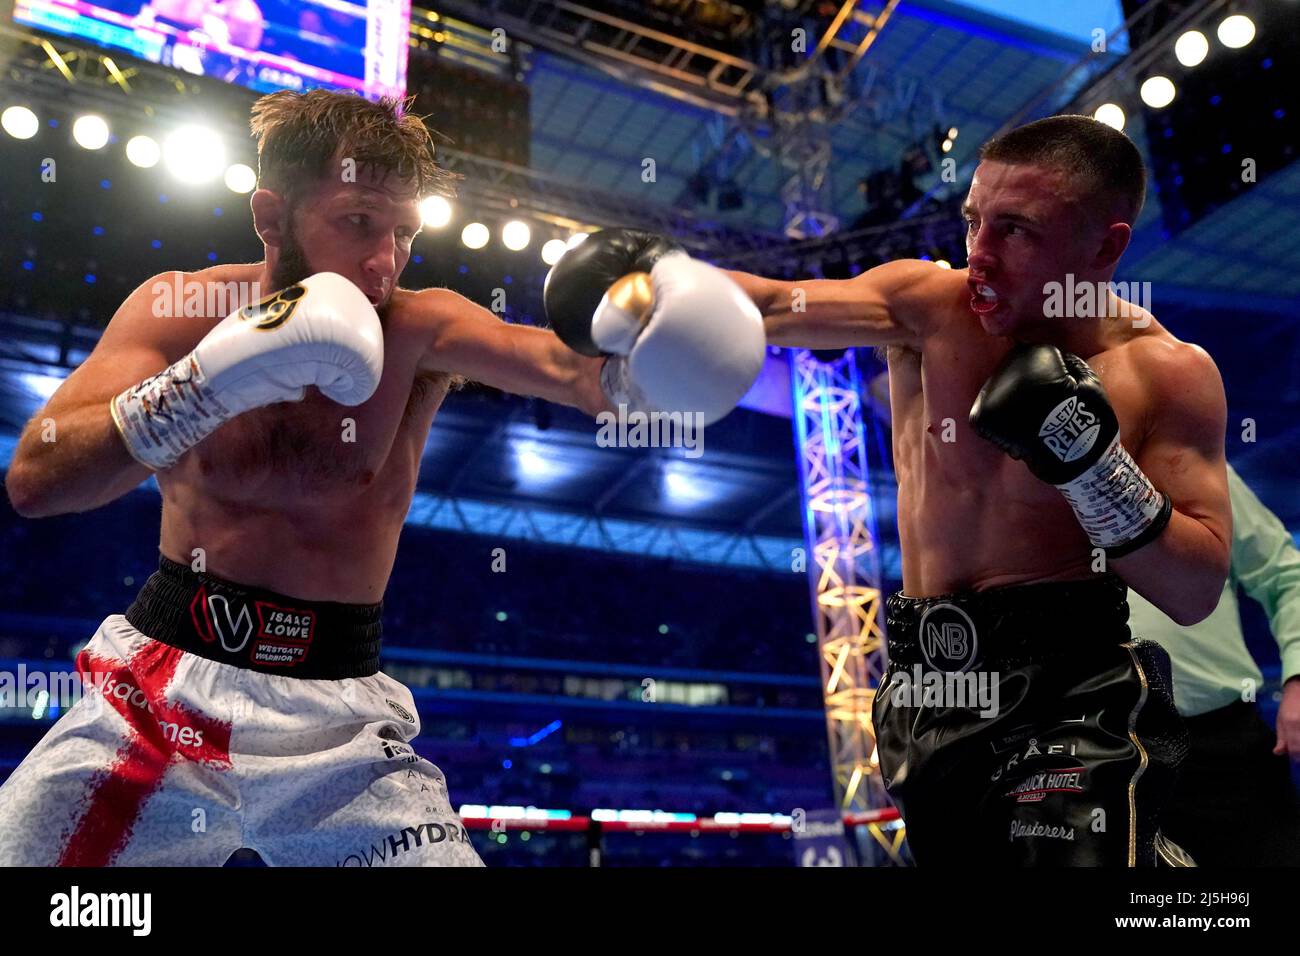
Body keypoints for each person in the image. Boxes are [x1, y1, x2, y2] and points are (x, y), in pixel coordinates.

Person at [0, 88, 763, 866]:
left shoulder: (421, 324)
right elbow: (37, 478)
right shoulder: (182, 308)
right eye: (359, 223)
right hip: (153, 696)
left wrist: (655, 354)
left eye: (404, 232)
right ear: (271, 216)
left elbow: (566, 370)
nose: (383, 261)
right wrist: (207, 383)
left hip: (342, 727)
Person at [546, 114, 1232, 865]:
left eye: (1017, 231)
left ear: (1105, 247)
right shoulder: (930, 306)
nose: (980, 256)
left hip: (1071, 687)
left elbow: (1194, 586)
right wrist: (651, 284)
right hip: (927, 690)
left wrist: (1090, 465)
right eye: (973, 221)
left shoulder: (1167, 373)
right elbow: (772, 307)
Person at [1128, 464, 1300, 865]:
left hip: (1223, 749)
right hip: (1085, 749)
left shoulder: (1195, 464)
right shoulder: (1024, 474)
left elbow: (1285, 573)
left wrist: (1297, 676)